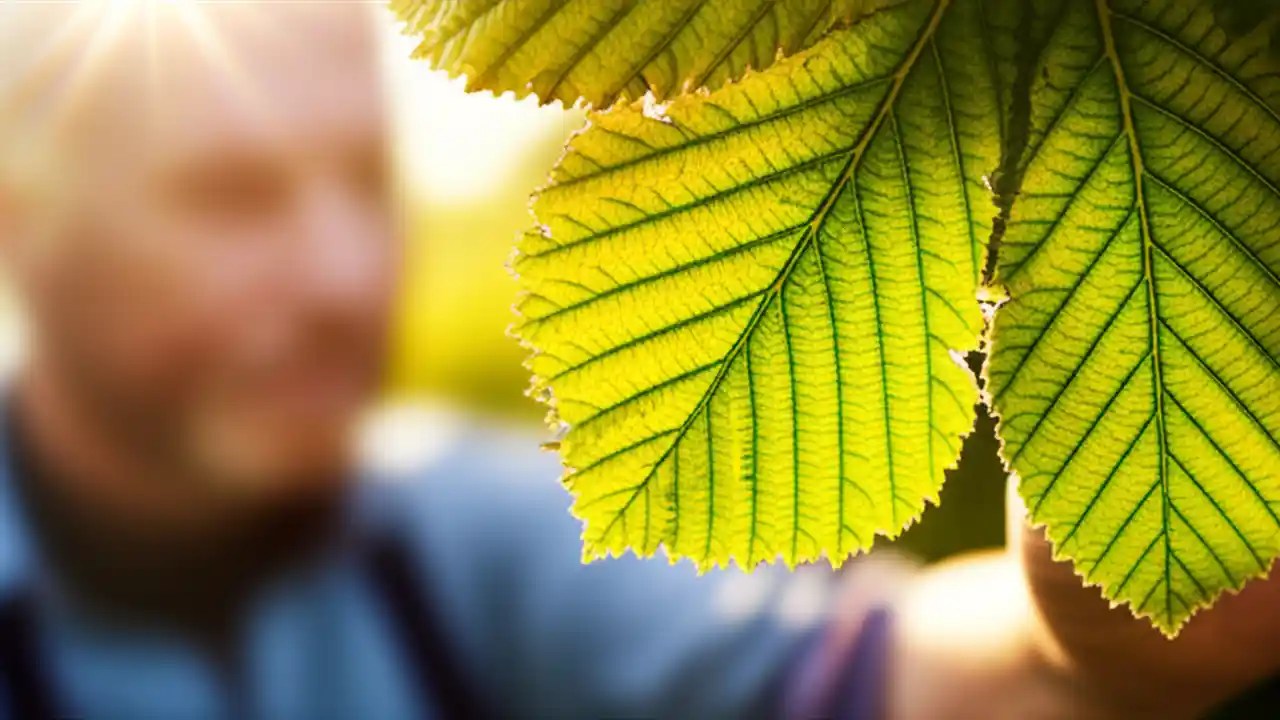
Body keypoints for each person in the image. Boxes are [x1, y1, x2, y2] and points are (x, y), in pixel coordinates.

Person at [0, 3, 1276, 719]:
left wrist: (1103, 627)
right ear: (19, 226)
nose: (344, 274)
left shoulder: (456, 533)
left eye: (362, 184)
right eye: (230, 196)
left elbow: (882, 682)